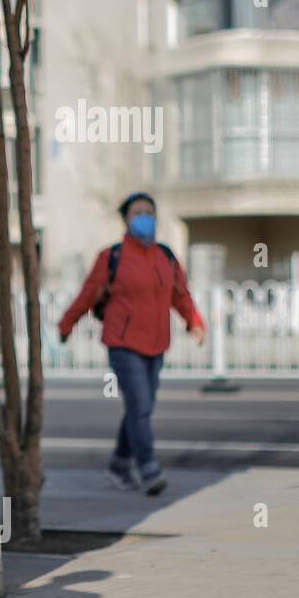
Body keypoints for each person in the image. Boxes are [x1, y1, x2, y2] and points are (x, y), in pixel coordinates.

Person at [58, 192, 206, 495]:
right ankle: (148, 468)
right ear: (125, 219)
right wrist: (66, 324)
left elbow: (180, 294)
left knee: (142, 407)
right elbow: (88, 294)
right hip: (123, 343)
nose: (145, 217)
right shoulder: (111, 257)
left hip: (157, 343)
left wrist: (194, 320)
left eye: (149, 212)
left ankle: (118, 466)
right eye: (138, 212)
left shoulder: (165, 256)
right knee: (139, 406)